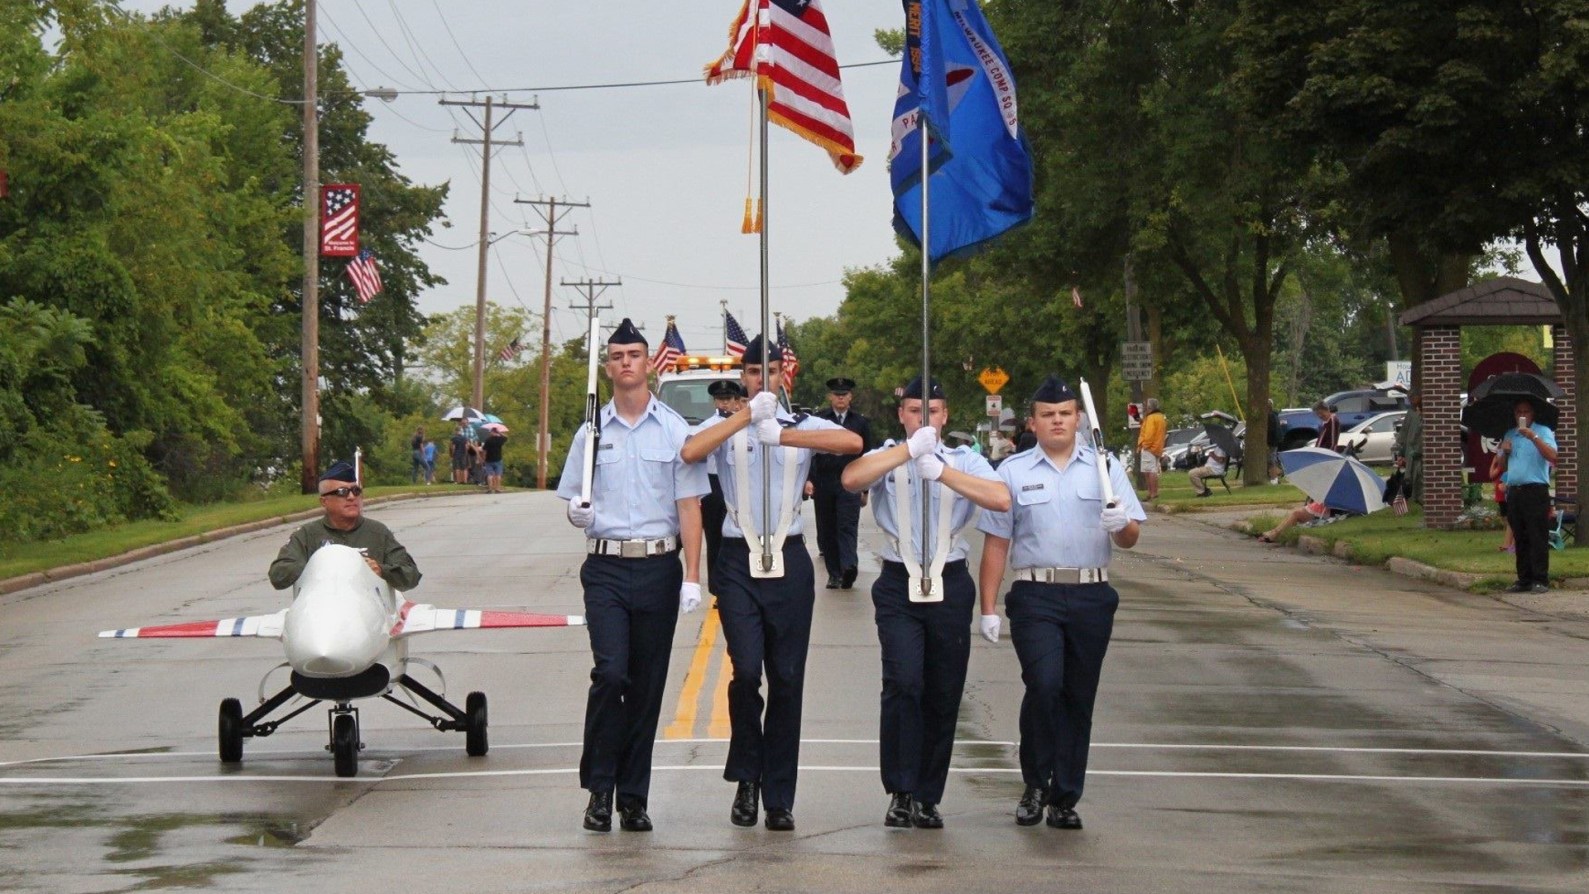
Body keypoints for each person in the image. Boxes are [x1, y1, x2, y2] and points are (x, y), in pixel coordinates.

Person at [681, 333, 862, 832]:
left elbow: (851, 443)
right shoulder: (724, 424)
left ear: (786, 376)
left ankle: (779, 795)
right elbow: (691, 452)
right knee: (746, 671)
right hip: (738, 559)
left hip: (789, 557)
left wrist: (782, 434)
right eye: (755, 373)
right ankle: (747, 777)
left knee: (786, 678)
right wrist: (745, 418)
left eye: (773, 373)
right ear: (745, 377)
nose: (764, 380)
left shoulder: (802, 422)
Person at [556, 318, 708, 834]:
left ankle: (633, 797)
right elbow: (575, 496)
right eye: (618, 355)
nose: (626, 363)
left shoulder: (674, 430)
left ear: (649, 364)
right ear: (609, 367)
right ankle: (600, 788)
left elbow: (690, 507)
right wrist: (577, 513)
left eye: (634, 355)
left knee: (646, 688)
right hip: (606, 568)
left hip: (659, 567)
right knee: (611, 674)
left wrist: (692, 574)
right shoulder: (591, 431)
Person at [977, 375, 1145, 831]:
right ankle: (1035, 782)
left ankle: (1065, 795)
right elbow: (996, 543)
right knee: (1045, 684)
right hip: (1036, 594)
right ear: (1032, 422)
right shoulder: (1012, 472)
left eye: (1065, 414)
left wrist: (1120, 522)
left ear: (1079, 419)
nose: (1057, 421)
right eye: (1048, 415)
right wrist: (987, 607)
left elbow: (1131, 538)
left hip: (1092, 592)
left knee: (1078, 695)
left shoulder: (1104, 468)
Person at [841, 376, 1010, 829]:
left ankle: (927, 795)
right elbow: (850, 477)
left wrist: (943, 471)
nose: (924, 419)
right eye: (916, 411)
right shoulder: (889, 456)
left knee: (943, 691)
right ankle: (900, 789)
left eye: (933, 412)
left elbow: (1000, 497)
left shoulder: (965, 459)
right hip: (899, 581)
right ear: (902, 414)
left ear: (946, 415)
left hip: (949, 581)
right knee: (903, 682)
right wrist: (910, 451)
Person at [268, 461, 422, 591]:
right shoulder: (307, 535)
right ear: (324, 501)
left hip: (368, 615)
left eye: (356, 491)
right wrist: (314, 567)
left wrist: (382, 570)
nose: (351, 497)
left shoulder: (378, 532)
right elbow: (278, 575)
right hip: (322, 613)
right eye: (342, 492)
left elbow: (411, 574)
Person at [808, 377, 872, 590]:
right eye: (837, 394)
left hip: (850, 481)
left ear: (850, 397)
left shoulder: (860, 423)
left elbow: (867, 456)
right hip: (824, 481)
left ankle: (848, 567)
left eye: (844, 394)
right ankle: (834, 573)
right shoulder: (820, 420)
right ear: (830, 397)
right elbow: (809, 453)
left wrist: (865, 489)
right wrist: (808, 480)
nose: (840, 398)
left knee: (847, 525)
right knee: (827, 528)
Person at [1494, 398, 1558, 594]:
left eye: (1526, 412)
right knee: (1520, 537)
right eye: (1518, 412)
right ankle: (1524, 579)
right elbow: (1502, 467)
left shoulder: (1543, 431)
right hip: (1515, 490)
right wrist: (1504, 453)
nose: (1522, 415)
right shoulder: (1510, 434)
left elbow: (1553, 457)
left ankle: (1540, 579)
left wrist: (1533, 437)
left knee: (1537, 535)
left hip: (1535, 490)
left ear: (1533, 414)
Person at [699, 379, 747, 604]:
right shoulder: (707, 426)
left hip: (739, 484)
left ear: (737, 402)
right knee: (716, 538)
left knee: (739, 537)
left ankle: (739, 584)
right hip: (714, 486)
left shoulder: (745, 424)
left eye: (728, 399)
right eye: (720, 399)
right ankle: (718, 590)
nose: (724, 404)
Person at [1394, 391, 1424, 502]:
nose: (1410, 399)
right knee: (1411, 475)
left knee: (1419, 475)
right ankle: (1414, 497)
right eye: (1409, 397)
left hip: (1418, 451)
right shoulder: (1411, 413)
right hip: (1410, 450)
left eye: (1413, 397)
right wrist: (1401, 453)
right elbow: (1404, 433)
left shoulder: (1422, 416)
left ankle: (1420, 498)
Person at [1135, 398, 1166, 501]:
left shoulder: (1151, 418)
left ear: (1149, 407)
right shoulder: (1160, 417)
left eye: (1146, 405)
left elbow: (1149, 433)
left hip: (1149, 448)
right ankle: (1153, 492)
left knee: (1149, 471)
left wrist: (1145, 445)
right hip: (1157, 447)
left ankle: (1152, 493)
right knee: (1151, 470)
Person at [1256, 500, 1331, 542]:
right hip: (1320, 505)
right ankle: (1274, 532)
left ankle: (1274, 534)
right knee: (1294, 513)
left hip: (1326, 510)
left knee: (1296, 514)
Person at [482, 427, 508, 493]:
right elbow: (506, 437)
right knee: (498, 475)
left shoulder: (488, 440)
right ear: (496, 432)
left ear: (492, 432)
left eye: (491, 431)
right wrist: (499, 433)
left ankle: (490, 489)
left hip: (489, 459)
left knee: (490, 475)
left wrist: (484, 458)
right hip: (498, 459)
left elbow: (484, 450)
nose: (490, 433)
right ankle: (497, 488)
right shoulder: (500, 439)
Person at [1266, 399, 1283, 484]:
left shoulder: (1270, 416)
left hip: (1272, 441)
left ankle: (1274, 478)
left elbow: (1271, 430)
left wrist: (1267, 442)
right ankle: (1277, 473)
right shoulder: (1275, 415)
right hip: (1276, 440)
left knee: (1271, 459)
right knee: (1273, 458)